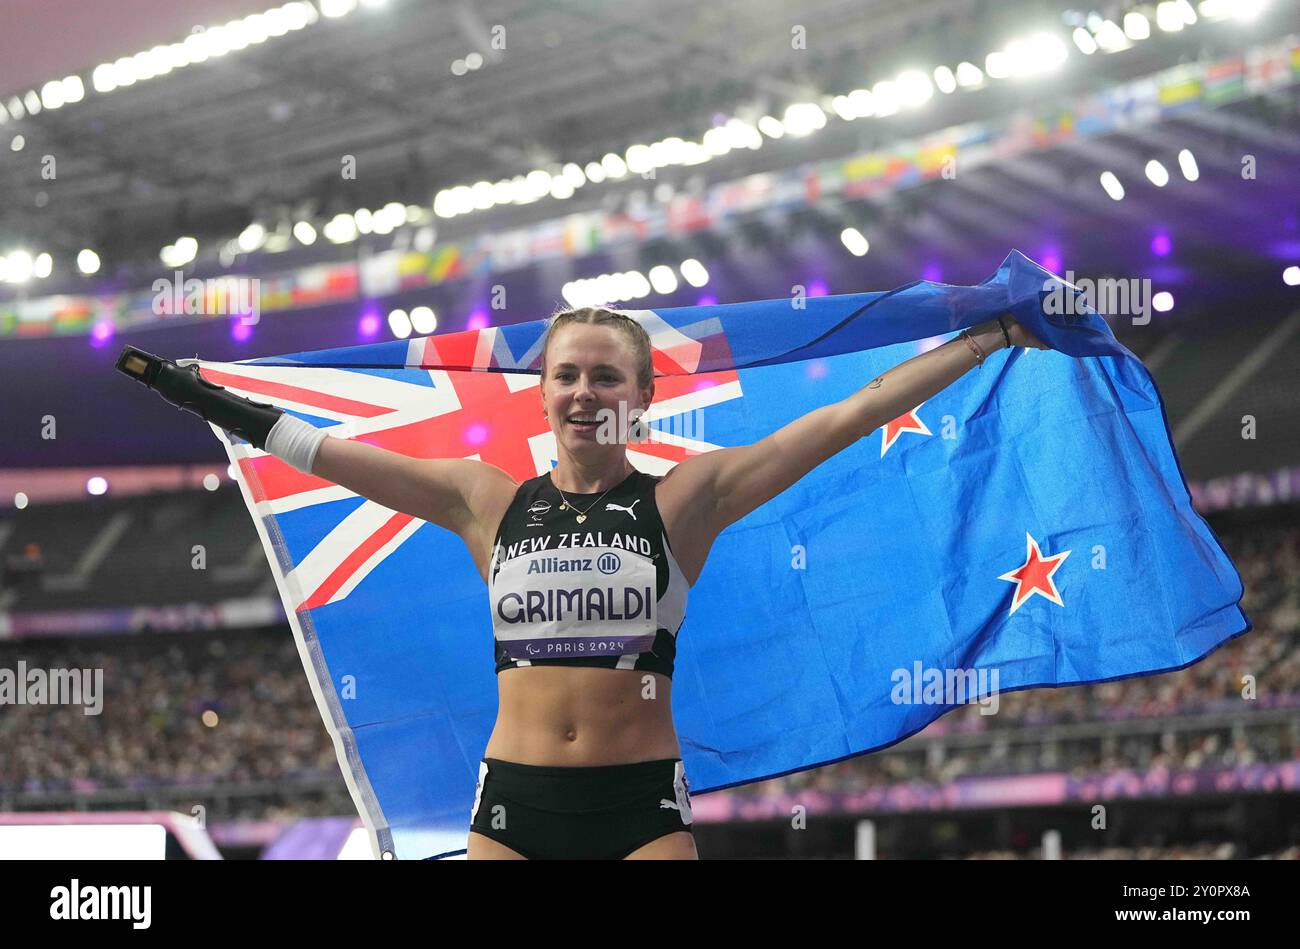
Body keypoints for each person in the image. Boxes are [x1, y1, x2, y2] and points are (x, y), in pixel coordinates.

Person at [117, 305, 1047, 859]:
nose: (584, 393)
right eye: (567, 376)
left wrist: (988, 338)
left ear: (640, 397)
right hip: (511, 803)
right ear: (543, 392)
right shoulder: (484, 500)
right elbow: (330, 454)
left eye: (607, 378)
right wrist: (207, 398)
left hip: (638, 807)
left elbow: (854, 413)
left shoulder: (691, 497)